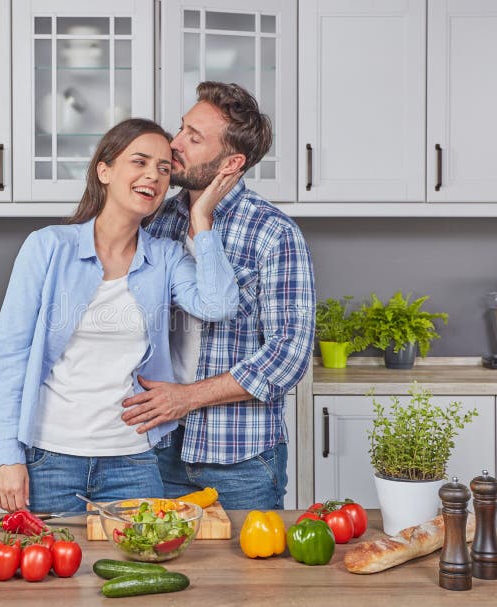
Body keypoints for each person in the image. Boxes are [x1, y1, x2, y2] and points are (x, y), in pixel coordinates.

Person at [0, 118, 241, 513]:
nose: (153, 176)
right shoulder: (48, 247)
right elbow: (9, 357)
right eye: (139, 162)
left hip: (133, 461)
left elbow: (218, 304)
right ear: (104, 171)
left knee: (139, 555)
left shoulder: (165, 257)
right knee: (54, 556)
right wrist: (8, 457)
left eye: (163, 168)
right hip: (50, 458)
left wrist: (202, 219)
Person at [122, 82, 316, 510]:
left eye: (194, 138)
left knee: (246, 559)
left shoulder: (274, 233)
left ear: (231, 163)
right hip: (157, 447)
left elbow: (289, 355)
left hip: (239, 460)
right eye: (181, 129)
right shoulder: (155, 221)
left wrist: (186, 397)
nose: (174, 144)